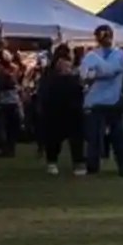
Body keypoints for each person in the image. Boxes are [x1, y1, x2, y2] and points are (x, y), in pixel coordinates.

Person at [79, 24, 123, 176]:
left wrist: (99, 73)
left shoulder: (121, 55)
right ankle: (93, 167)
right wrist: (108, 72)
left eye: (107, 36)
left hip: (114, 101)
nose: (105, 40)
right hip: (95, 101)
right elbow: (84, 77)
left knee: (118, 136)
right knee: (94, 137)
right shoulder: (91, 56)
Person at [38, 44, 86, 175]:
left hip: (70, 110)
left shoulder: (72, 75)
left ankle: (72, 163)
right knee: (57, 138)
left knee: (73, 138)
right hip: (57, 110)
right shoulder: (51, 75)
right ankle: (56, 162)